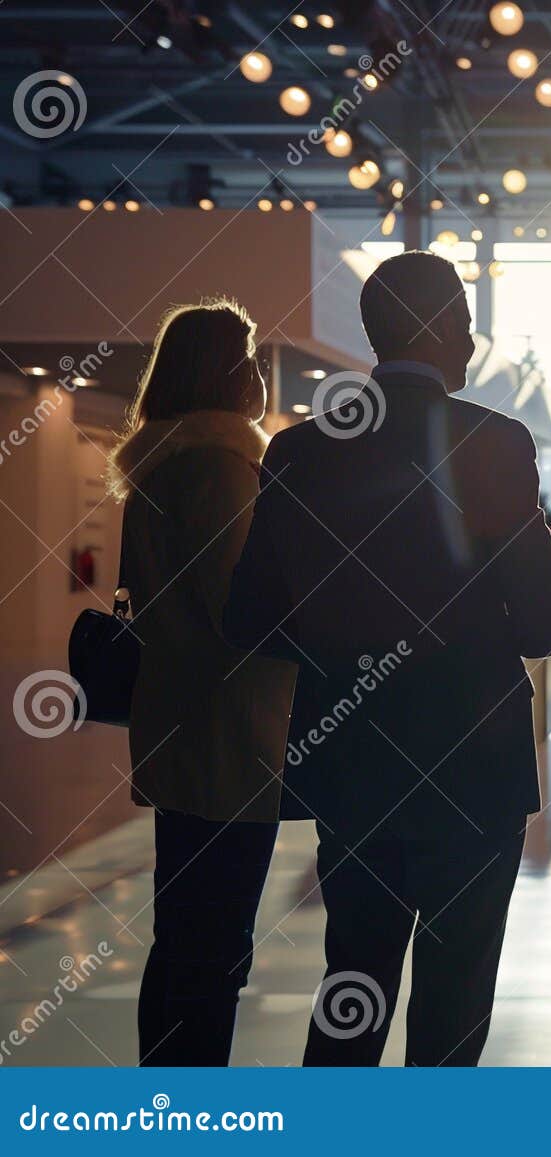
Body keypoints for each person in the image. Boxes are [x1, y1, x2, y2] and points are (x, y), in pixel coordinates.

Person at [223, 251, 551, 1066]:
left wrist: (341, 656)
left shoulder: (300, 452)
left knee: (353, 981)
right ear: (447, 328)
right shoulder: (494, 441)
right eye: (467, 321)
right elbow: (544, 623)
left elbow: (251, 618)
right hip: (474, 766)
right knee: (454, 1005)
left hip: (354, 764)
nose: (475, 338)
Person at [108, 301, 296, 1066]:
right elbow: (242, 605)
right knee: (217, 948)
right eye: (249, 359)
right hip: (235, 734)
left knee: (182, 936)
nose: (258, 374)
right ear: (223, 371)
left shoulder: (159, 464)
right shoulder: (221, 468)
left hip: (178, 725)